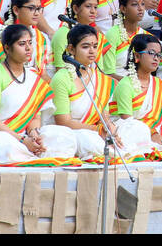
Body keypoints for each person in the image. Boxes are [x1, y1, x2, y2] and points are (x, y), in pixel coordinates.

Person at [0, 24, 82, 165]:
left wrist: (33, 134)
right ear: (7, 48)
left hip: (23, 135)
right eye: (22, 44)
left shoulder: (33, 77)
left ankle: (30, 151)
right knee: (1, 144)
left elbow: (34, 116)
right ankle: (29, 153)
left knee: (64, 136)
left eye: (30, 43)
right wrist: (22, 140)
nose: (28, 48)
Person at [49, 24, 119, 159]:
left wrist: (108, 127)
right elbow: (63, 122)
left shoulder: (99, 79)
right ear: (71, 49)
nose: (92, 51)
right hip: (67, 134)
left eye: (94, 46)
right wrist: (97, 130)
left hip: (93, 132)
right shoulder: (61, 78)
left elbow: (103, 116)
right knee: (88, 139)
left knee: (132, 127)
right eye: (85, 47)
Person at [104, 0, 149, 78]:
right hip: (116, 85)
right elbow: (108, 73)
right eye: (135, 4)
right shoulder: (112, 34)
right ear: (123, 9)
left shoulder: (145, 35)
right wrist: (130, 84)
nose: (140, 9)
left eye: (143, 4)